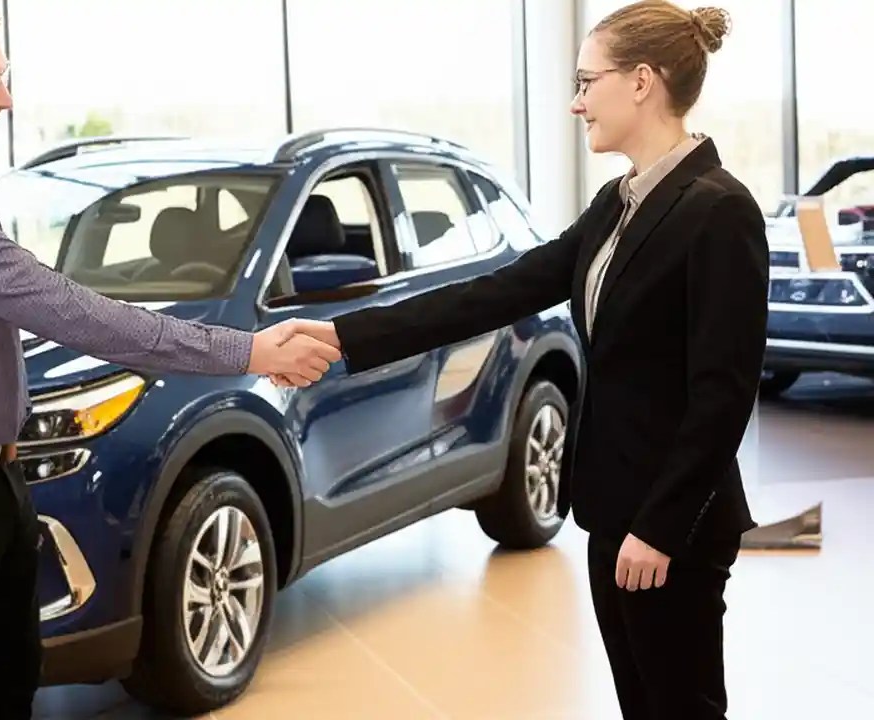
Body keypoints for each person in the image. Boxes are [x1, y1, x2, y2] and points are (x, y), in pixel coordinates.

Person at [0, 1, 339, 717]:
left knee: (3, 683)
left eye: (2, 78)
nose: (4, 99)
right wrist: (248, 348)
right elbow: (64, 307)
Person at [285, 3, 763, 719]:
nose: (575, 101)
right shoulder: (617, 203)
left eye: (585, 81)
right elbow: (496, 293)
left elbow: (722, 396)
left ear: (641, 82)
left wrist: (660, 528)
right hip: (613, 511)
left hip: (674, 526)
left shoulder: (720, 211)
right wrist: (344, 338)